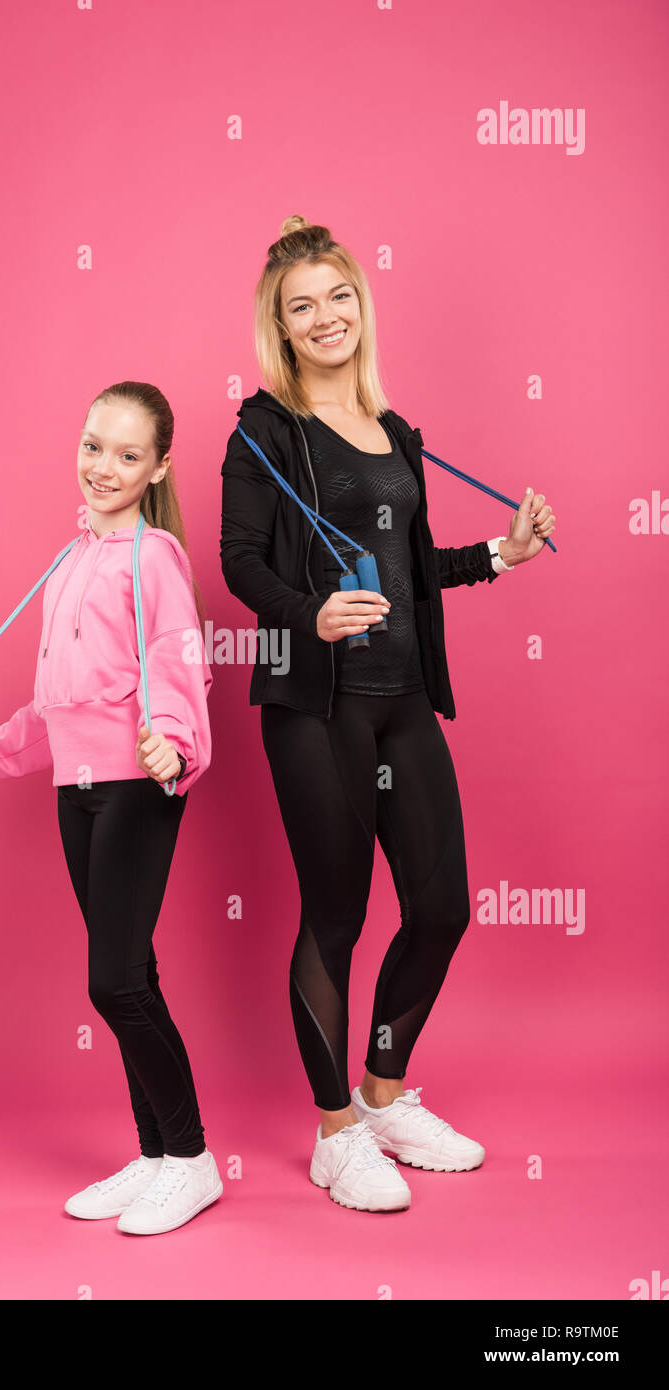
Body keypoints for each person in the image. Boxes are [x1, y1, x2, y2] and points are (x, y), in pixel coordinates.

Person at [220, 216, 556, 1213]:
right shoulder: (264, 433)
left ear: (363, 306)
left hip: (405, 705)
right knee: (337, 918)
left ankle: (380, 1096)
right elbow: (242, 564)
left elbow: (413, 572)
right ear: (279, 327)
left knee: (442, 907)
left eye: (339, 296)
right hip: (317, 709)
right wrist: (308, 613)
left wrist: (499, 555)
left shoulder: (396, 433)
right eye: (302, 305)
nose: (326, 317)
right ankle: (332, 1137)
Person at [0, 381, 220, 1236]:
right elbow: (58, 708)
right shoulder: (69, 559)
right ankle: (157, 1153)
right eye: (93, 446)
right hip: (74, 796)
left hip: (135, 789)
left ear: (158, 466)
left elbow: (178, 662)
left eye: (128, 455)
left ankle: (192, 1159)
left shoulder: (152, 554)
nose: (103, 467)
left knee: (114, 982)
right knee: (137, 975)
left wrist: (175, 743)